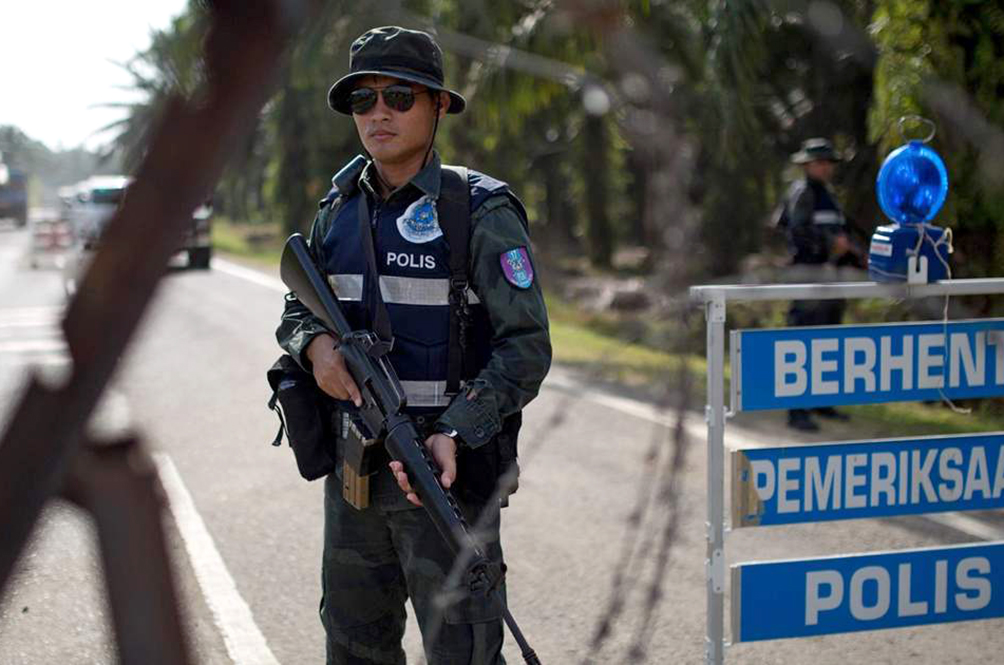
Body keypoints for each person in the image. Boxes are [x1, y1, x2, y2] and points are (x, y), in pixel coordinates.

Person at [275, 26, 551, 664]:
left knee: (465, 653)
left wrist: (454, 431)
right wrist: (315, 348)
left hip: (446, 480)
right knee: (353, 648)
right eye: (362, 100)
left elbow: (526, 348)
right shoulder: (337, 207)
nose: (378, 113)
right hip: (355, 485)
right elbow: (298, 304)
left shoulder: (479, 212)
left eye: (399, 96)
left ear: (438, 106)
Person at [780, 138, 855, 432]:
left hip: (830, 276)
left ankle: (822, 401)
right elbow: (796, 231)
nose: (824, 168)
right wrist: (828, 242)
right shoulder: (803, 194)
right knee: (801, 343)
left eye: (827, 163)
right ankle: (796, 411)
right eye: (819, 162)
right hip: (808, 275)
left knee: (828, 340)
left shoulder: (829, 196)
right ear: (807, 165)